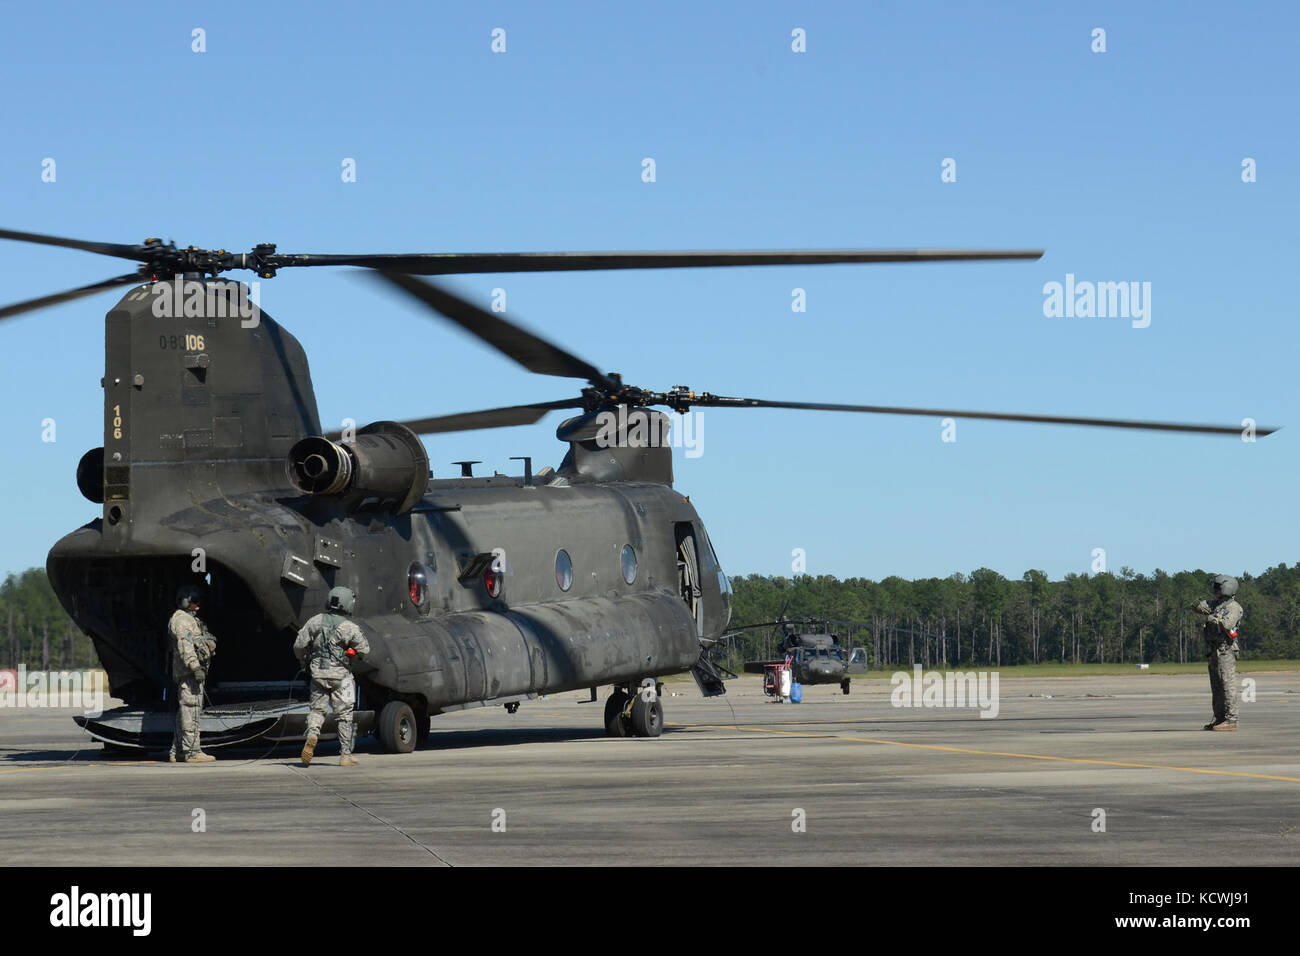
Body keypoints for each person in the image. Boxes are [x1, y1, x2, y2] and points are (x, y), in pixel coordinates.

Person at [294, 587, 370, 767]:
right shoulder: (349, 627)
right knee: (344, 715)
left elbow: (299, 645)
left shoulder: (314, 621)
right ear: (347, 604)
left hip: (318, 674)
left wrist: (304, 659)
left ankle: (312, 734)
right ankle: (345, 755)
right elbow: (364, 649)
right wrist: (352, 652)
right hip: (341, 677)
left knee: (317, 710)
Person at [167, 585, 217, 762]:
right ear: (185, 601)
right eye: (194, 601)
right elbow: (185, 646)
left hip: (189, 672)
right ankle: (192, 752)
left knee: (184, 712)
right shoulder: (181, 620)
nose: (198, 605)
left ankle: (178, 751)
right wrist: (195, 667)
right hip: (189, 673)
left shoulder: (190, 619)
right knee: (191, 710)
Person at [1195, 574, 1244, 731]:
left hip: (1226, 650)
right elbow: (1198, 606)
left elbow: (1228, 624)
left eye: (1218, 587)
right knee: (1216, 685)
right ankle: (1220, 717)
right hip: (1214, 650)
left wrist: (1213, 618)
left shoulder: (1233, 607)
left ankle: (1231, 719)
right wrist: (1199, 605)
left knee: (1227, 684)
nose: (1215, 590)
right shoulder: (1217, 605)